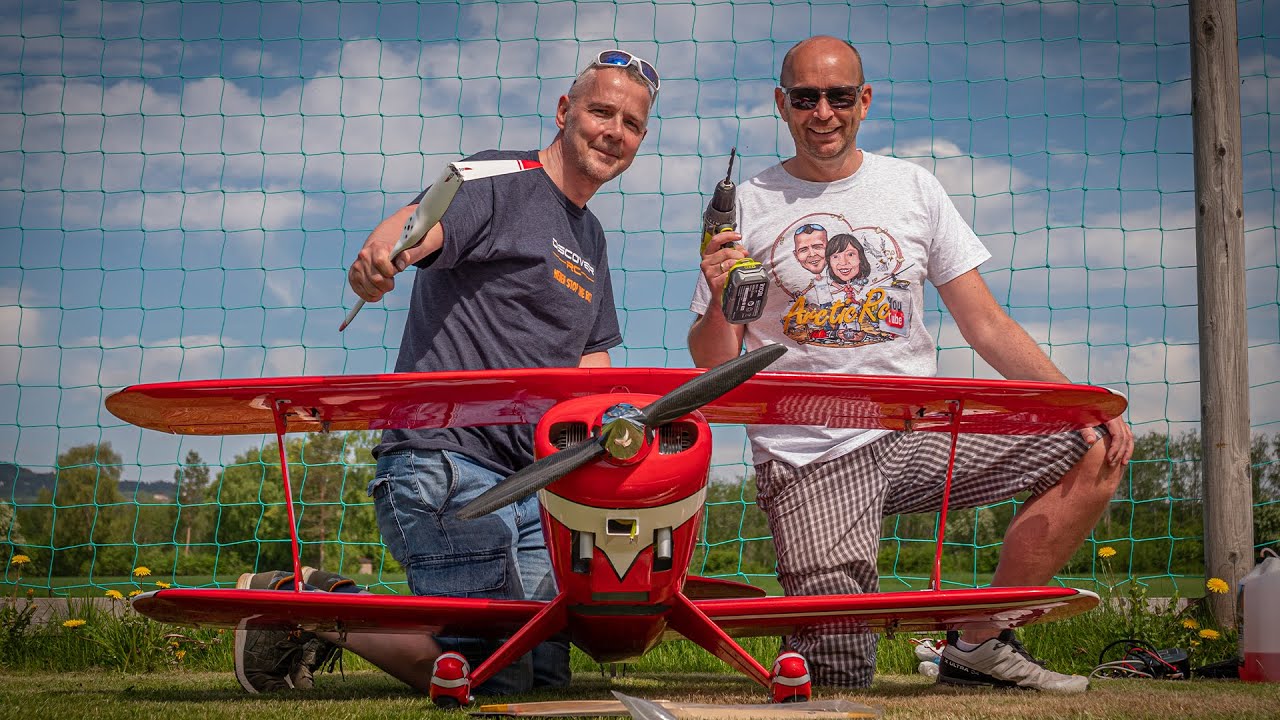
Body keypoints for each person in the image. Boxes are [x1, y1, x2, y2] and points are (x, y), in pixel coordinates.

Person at [687, 35, 1133, 692]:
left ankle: (979, 643)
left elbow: (985, 322)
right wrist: (724, 297)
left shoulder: (913, 188)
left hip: (920, 435)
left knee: (1092, 443)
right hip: (813, 455)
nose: (823, 113)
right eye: (806, 98)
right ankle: (819, 630)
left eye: (839, 96)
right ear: (782, 105)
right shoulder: (748, 203)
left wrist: (1078, 402)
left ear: (864, 101)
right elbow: (710, 361)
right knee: (840, 678)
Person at [233, 48, 659, 695]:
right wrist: (382, 254)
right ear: (565, 110)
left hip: (534, 481)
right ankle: (309, 601)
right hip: (444, 462)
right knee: (495, 679)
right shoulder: (497, 177)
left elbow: (591, 365)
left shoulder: (590, 237)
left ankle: (329, 606)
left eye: (631, 124)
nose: (614, 131)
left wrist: (637, 432)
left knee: (549, 680)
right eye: (602, 111)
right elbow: (416, 226)